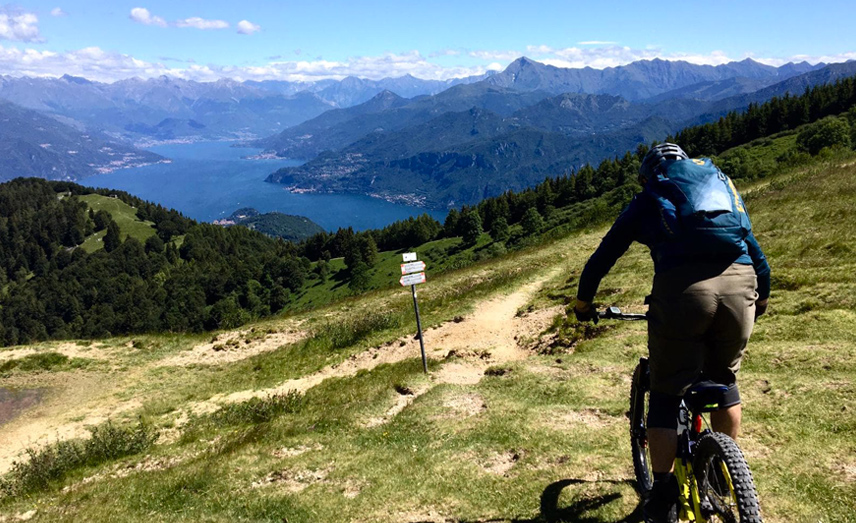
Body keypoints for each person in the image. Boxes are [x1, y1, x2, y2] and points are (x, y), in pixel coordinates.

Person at [573, 143, 770, 523]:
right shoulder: (719, 187)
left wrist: (584, 304)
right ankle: (720, 469)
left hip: (683, 294)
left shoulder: (650, 195)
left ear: (649, 175)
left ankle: (662, 492)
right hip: (741, 286)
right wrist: (760, 300)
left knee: (664, 396)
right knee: (723, 380)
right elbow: (754, 249)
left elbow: (604, 255)